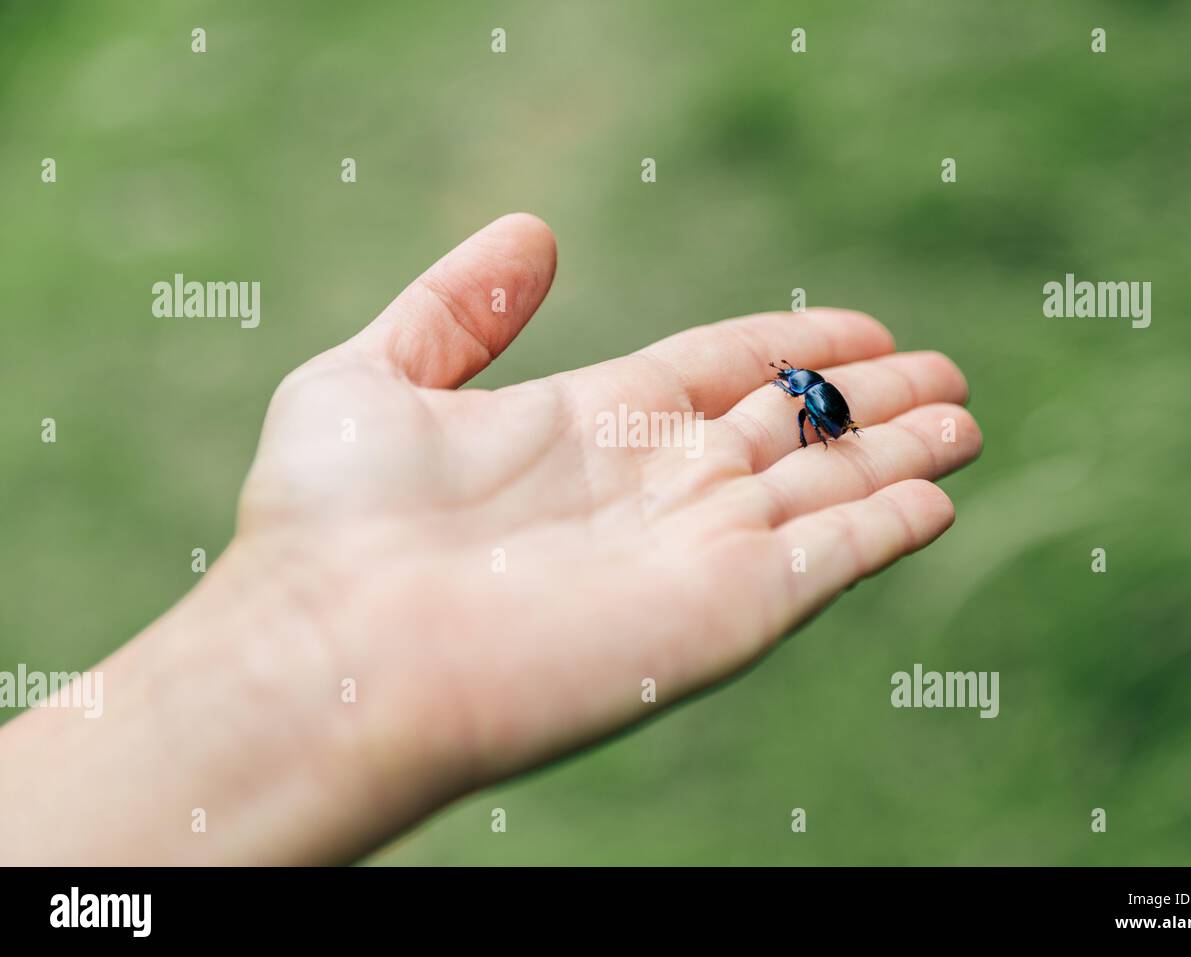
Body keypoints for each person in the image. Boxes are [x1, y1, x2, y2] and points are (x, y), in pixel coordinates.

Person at [0, 214, 981, 864]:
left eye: (794, 390)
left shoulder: (805, 399)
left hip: (829, 424)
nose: (794, 393)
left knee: (824, 423)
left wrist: (299, 661)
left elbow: (811, 410)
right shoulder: (799, 395)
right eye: (795, 388)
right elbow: (807, 407)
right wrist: (304, 644)